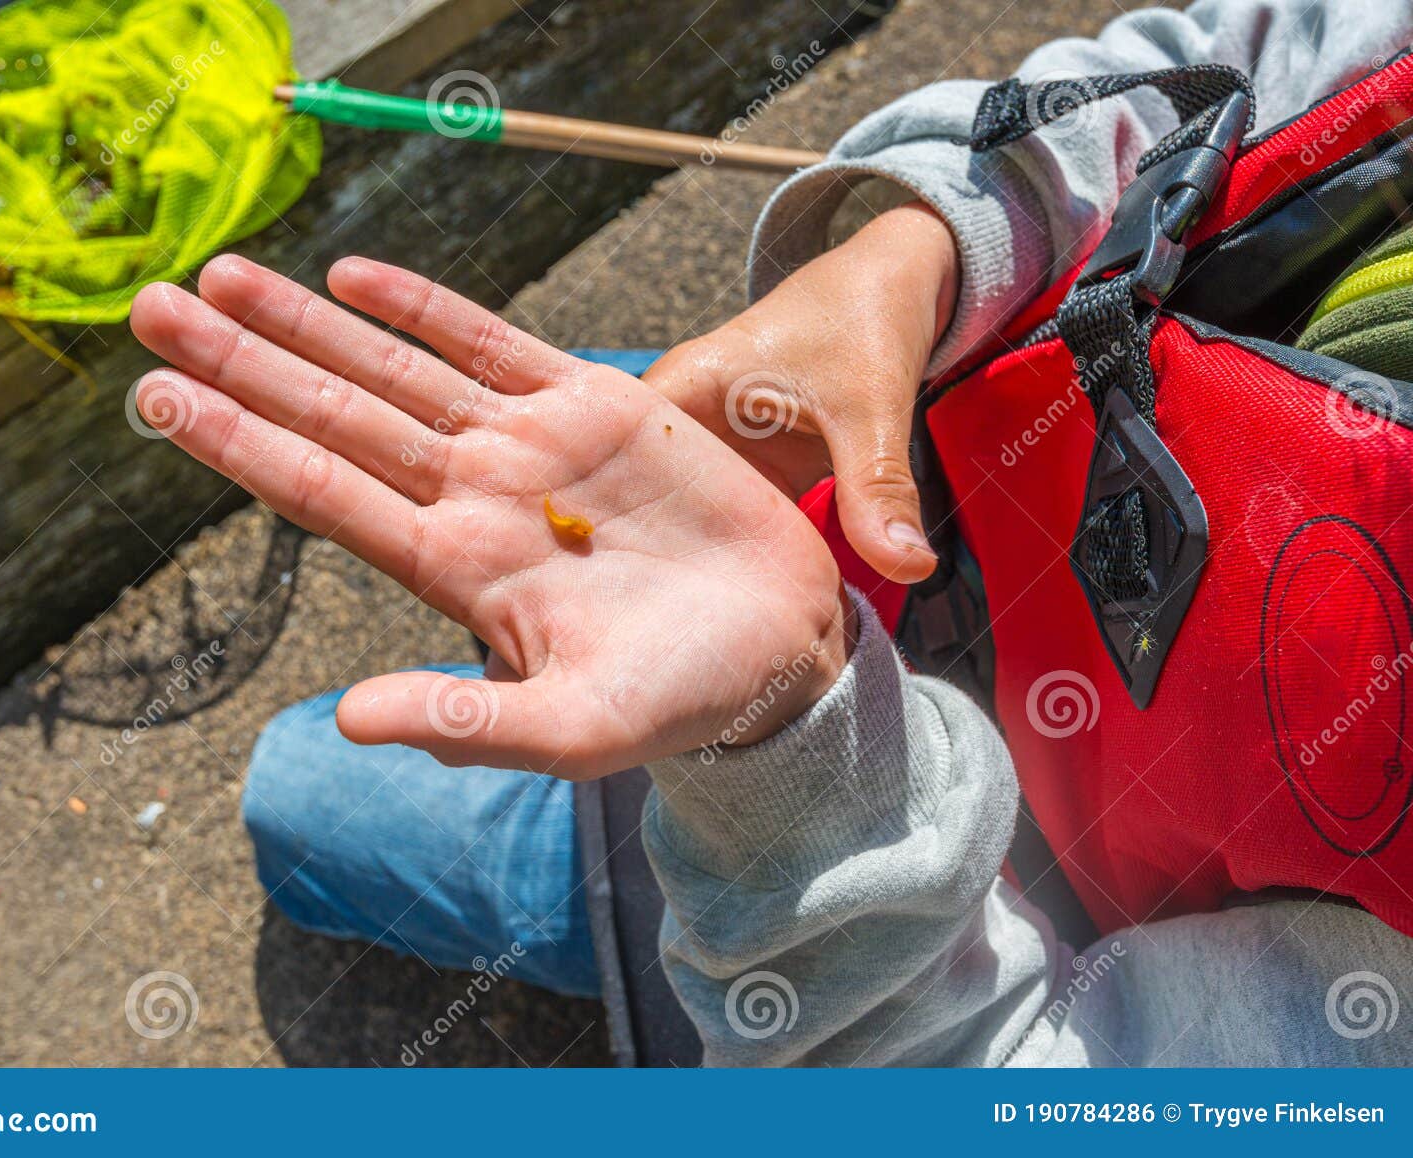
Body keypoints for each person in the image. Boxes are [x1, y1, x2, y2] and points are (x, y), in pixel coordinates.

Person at [129, 0, 1413, 1065]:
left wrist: (778, 750)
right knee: (548, 430)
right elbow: (1215, 62)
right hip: (893, 457)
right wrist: (915, 245)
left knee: (293, 794)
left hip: (854, 849)